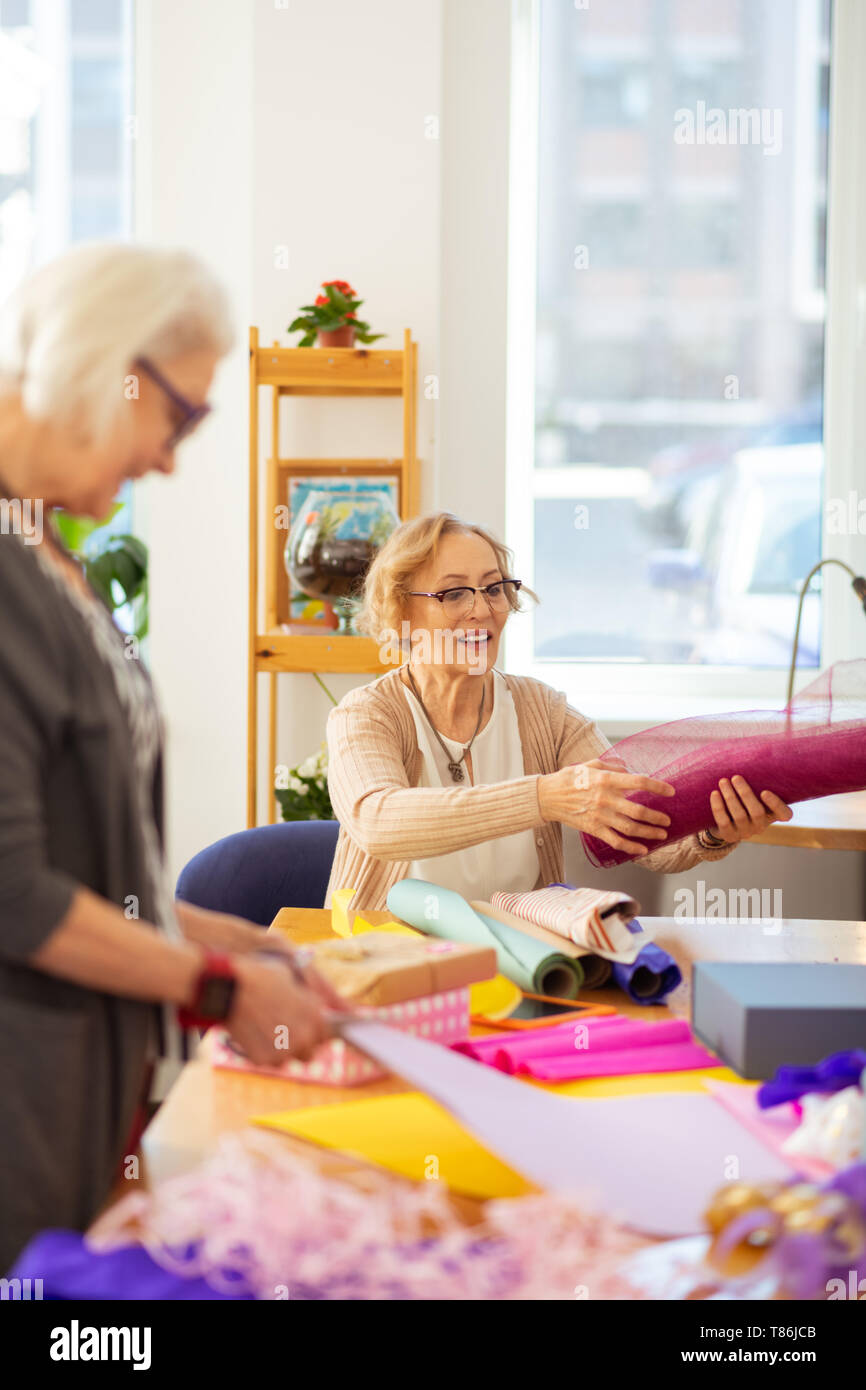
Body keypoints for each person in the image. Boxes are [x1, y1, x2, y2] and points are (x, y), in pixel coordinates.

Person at [0, 241, 340, 1272]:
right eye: (182, 417)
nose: (169, 459)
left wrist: (231, 940)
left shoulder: (47, 551)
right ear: (108, 361)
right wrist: (223, 991)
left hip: (81, 1097)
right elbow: (14, 892)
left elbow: (92, 867)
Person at [325, 511, 794, 910]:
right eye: (454, 594)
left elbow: (640, 827)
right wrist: (545, 797)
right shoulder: (366, 715)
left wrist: (712, 831)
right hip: (386, 970)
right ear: (402, 613)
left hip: (515, 967)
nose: (482, 610)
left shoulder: (542, 712)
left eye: (494, 588)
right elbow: (377, 823)